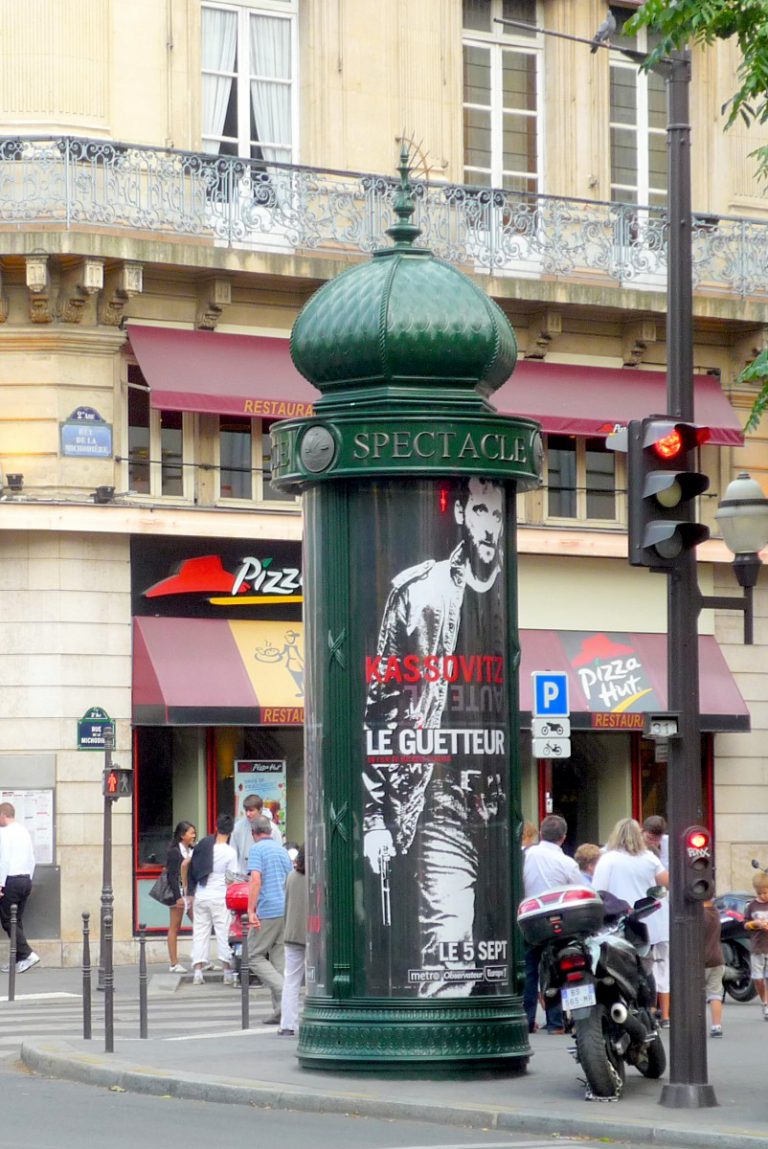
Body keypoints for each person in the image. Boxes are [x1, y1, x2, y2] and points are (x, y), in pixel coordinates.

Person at [362, 475, 507, 997]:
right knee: (451, 949)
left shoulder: (508, 596)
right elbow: (378, 712)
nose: (491, 525)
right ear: (462, 515)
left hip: (502, 805)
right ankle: (442, 1031)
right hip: (440, 798)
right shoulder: (419, 592)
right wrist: (375, 816)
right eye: (482, 512)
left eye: (498, 512)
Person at [591, 818, 669, 1024]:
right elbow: (666, 882)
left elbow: (598, 890)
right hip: (644, 921)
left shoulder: (608, 859)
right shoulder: (649, 859)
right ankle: (648, 1010)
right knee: (645, 967)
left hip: (615, 921)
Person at [522, 814, 582, 1033]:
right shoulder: (567, 862)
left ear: (541, 832)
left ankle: (527, 1019)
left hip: (529, 919)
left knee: (529, 971)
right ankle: (556, 1022)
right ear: (563, 838)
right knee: (556, 969)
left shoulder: (526, 855)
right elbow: (579, 890)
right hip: (557, 921)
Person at [247, 814, 292, 1023]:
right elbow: (290, 878)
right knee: (278, 957)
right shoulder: (282, 850)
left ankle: (284, 991)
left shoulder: (256, 850)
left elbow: (255, 880)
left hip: (267, 910)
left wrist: (251, 910)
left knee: (253, 956)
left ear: (253, 833)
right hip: (285, 908)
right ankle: (281, 1011)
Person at [188, 813, 236, 985]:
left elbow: (190, 865)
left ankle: (198, 972)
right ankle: (227, 972)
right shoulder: (230, 852)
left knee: (200, 933)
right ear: (231, 831)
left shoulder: (204, 845)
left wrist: (190, 893)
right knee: (223, 932)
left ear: (216, 827)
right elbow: (231, 878)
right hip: (220, 896)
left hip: (201, 893)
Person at [0, 802, 38, 973]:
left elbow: (3, 861)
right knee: (17, 921)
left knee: (8, 920)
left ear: (3, 815)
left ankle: (28, 954)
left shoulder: (5, 833)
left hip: (11, 880)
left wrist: (0, 884)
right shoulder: (23, 831)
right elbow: (32, 858)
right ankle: (19, 960)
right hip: (25, 879)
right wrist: (29, 879)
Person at [278, 844, 307, 1037]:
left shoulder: (291, 877)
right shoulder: (318, 877)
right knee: (315, 981)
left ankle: (288, 1023)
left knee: (291, 980)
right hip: (314, 934)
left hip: (292, 932)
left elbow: (287, 903)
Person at [166, 820, 196, 973]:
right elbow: (171, 876)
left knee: (199, 924)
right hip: (178, 894)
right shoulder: (174, 852)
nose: (193, 835)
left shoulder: (192, 850)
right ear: (182, 835)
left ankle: (200, 958)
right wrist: (178, 897)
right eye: (191, 832)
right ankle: (174, 963)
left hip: (189, 894)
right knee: (175, 927)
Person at [231, 793, 282, 876]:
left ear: (260, 810)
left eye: (251, 810)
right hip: (242, 878)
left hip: (266, 877)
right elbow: (233, 853)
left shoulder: (273, 829)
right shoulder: (237, 828)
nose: (248, 814)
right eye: (246, 810)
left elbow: (278, 853)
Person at [743, 868, 768, 1019]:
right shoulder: (751, 906)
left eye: (765, 892)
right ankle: (764, 1000)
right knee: (757, 978)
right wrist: (755, 924)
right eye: (759, 893)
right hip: (757, 946)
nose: (763, 896)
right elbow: (745, 924)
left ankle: (767, 1004)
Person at [703, 896, 725, 1037]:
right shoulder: (715, 912)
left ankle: (694, 1025)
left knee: (694, 994)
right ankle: (716, 1026)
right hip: (717, 958)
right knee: (715, 994)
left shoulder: (698, 915)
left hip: (699, 960)